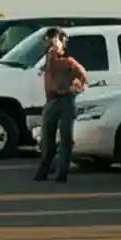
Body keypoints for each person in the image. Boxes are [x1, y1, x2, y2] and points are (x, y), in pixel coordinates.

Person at [34, 27, 88, 182]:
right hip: (51, 101)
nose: (52, 43)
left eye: (56, 40)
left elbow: (83, 78)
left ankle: (61, 173)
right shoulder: (48, 61)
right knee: (46, 138)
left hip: (66, 101)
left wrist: (74, 88)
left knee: (65, 139)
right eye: (50, 40)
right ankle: (43, 171)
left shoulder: (69, 63)